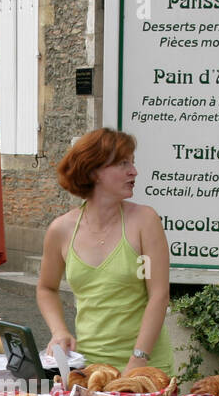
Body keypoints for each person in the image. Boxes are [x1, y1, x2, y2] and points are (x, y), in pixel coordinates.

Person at [36, 128, 175, 376]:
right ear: (93, 171)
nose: (134, 171)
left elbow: (159, 295)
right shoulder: (61, 229)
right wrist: (59, 331)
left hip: (146, 367)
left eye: (132, 163)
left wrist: (139, 358)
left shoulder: (145, 221)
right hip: (89, 367)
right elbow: (46, 288)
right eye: (123, 163)